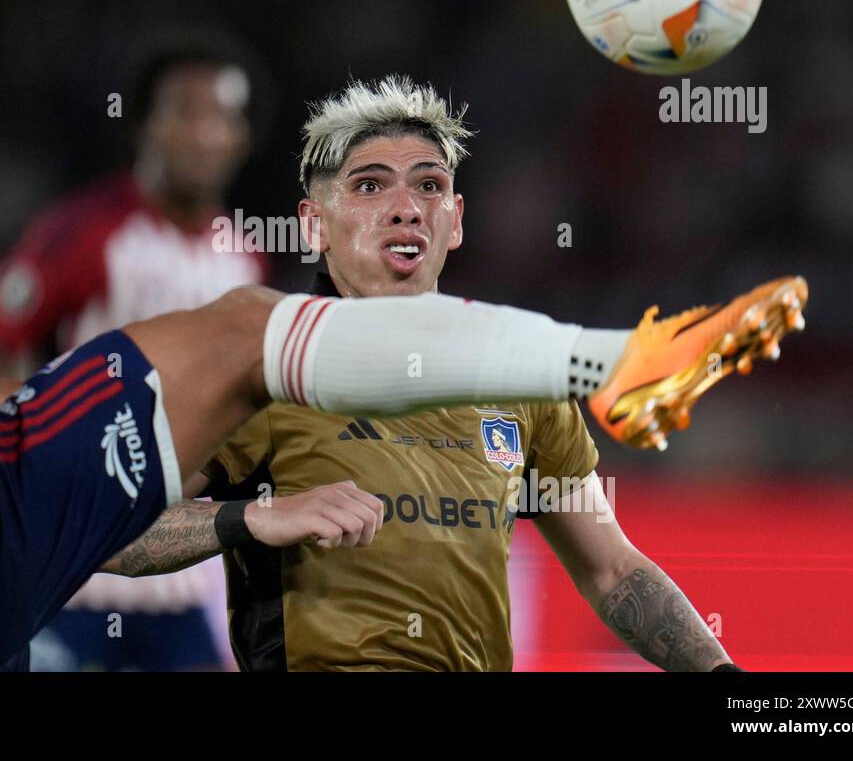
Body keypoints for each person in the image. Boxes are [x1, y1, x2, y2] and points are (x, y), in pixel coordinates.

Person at [0, 0, 805, 671]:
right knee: (247, 335)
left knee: (241, 330)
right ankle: (616, 357)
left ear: (457, 216)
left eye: (429, 185)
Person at [99, 82, 744, 670]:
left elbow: (611, 571)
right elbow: (109, 531)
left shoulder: (518, 376)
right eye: (370, 186)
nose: (407, 208)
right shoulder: (266, 365)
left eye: (429, 186)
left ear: (456, 220)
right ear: (312, 224)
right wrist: (253, 518)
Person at [0, 37, 266, 671]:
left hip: (184, 585)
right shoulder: (84, 233)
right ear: (144, 124)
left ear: (242, 137)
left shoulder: (244, 257)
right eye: (186, 112)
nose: (205, 133)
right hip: (70, 580)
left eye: (223, 116)